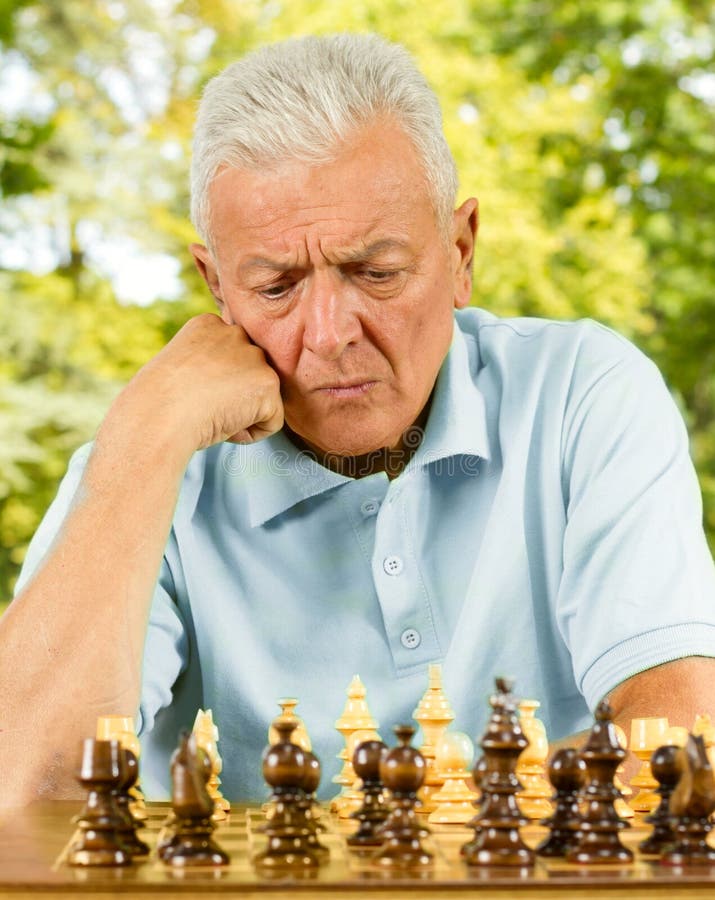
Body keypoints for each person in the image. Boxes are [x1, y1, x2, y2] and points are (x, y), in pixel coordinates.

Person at [2, 33, 715, 807]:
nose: (329, 333)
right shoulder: (141, 465)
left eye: (375, 273)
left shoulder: (584, 393)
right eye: (275, 286)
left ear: (460, 250)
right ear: (216, 287)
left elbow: (677, 735)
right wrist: (140, 438)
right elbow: (20, 792)